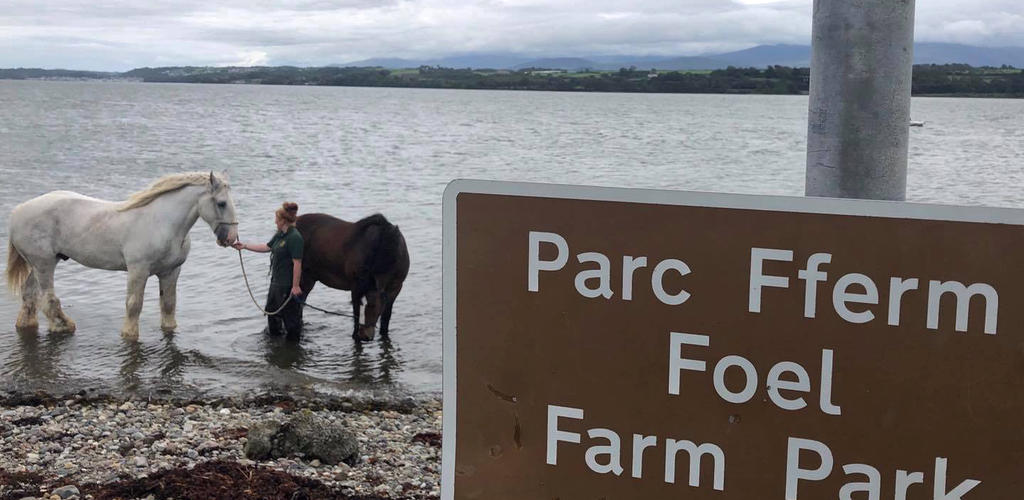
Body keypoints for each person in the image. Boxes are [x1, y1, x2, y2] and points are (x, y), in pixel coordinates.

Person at [233, 202, 305, 338]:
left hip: (287, 286)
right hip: (275, 284)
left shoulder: (295, 237)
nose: (275, 222)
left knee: (291, 322)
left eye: (277, 219)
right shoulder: (280, 235)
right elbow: (267, 247)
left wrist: (295, 286)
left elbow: (297, 263)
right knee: (272, 316)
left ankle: (293, 351)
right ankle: (275, 349)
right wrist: (244, 246)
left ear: (283, 221)